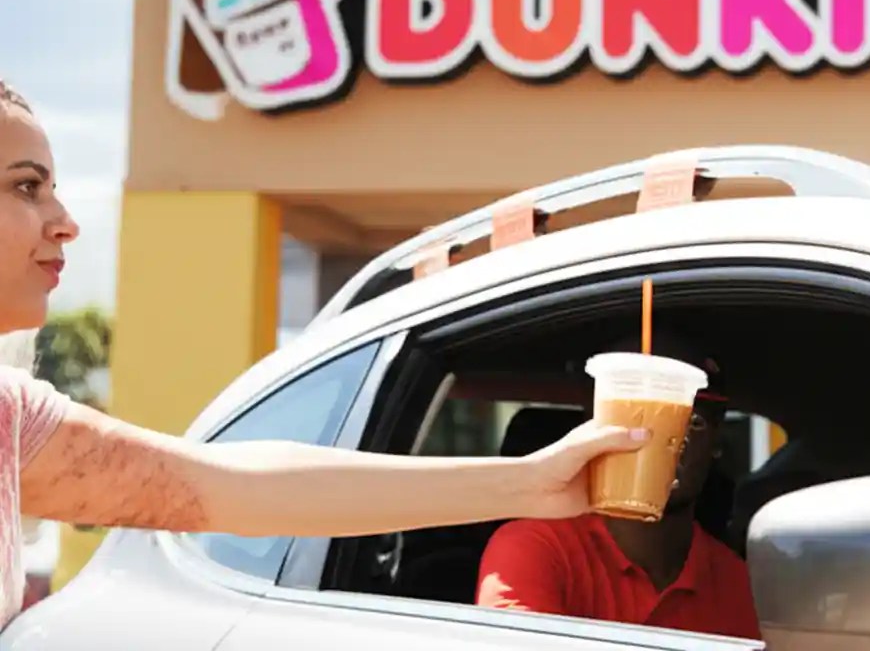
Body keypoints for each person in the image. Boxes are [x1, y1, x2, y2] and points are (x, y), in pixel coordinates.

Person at [0, 79, 650, 627]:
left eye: (52, 187)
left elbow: (225, 487)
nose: (65, 220)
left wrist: (533, 483)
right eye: (27, 187)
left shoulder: (13, 416)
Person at [475, 331, 761, 641]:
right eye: (636, 419)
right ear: (595, 430)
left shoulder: (733, 577)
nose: (667, 438)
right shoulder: (535, 548)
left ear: (718, 440)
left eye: (693, 422)